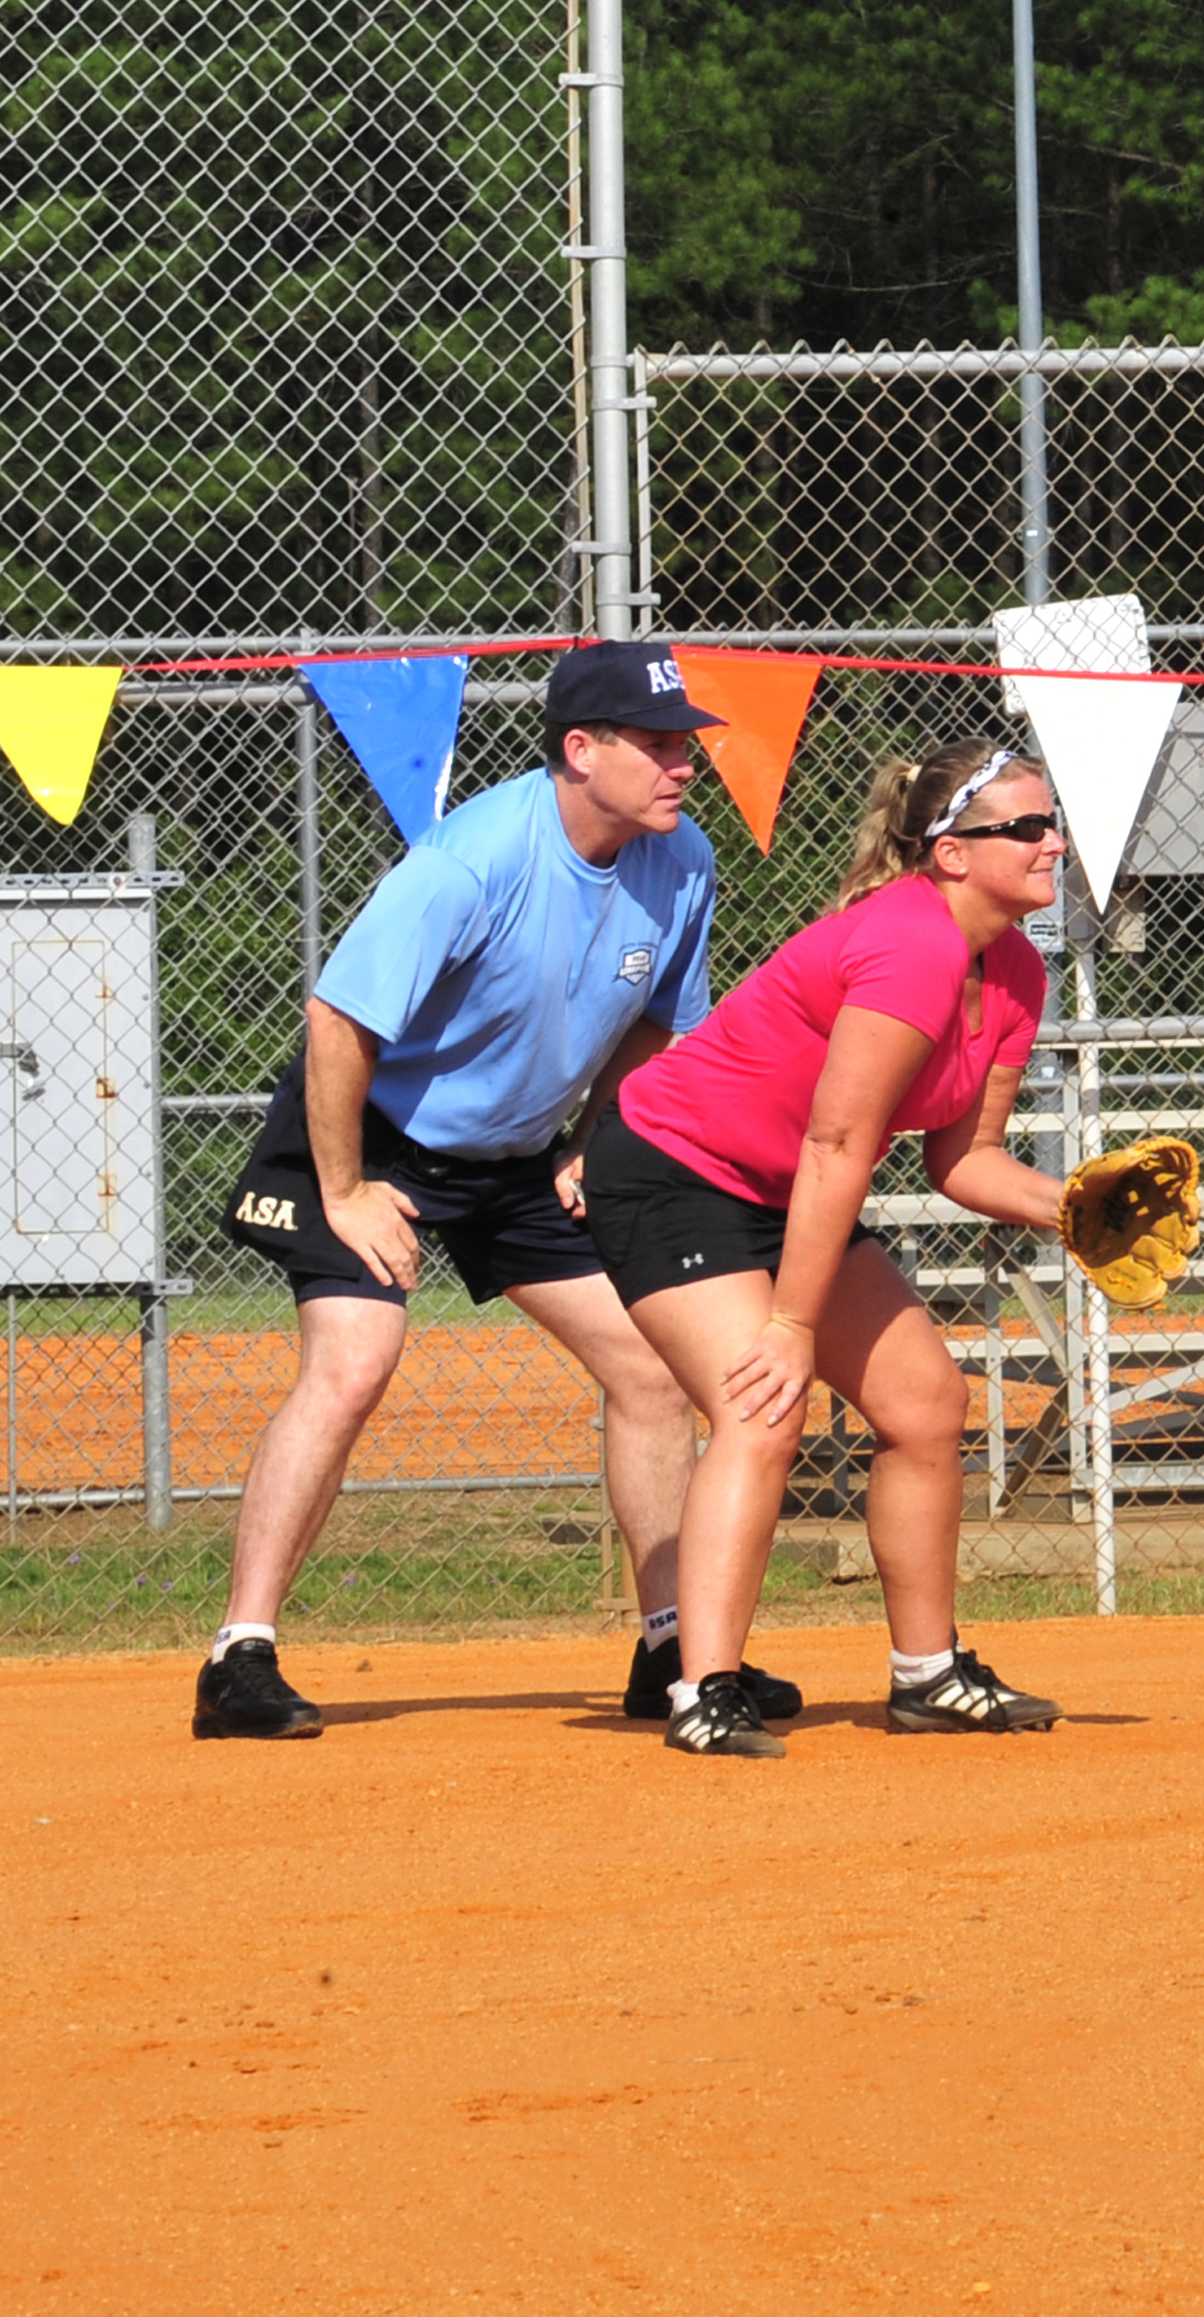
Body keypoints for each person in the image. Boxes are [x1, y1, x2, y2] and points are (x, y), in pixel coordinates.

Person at [196, 643, 773, 1741]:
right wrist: (345, 1189)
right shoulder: (473, 860)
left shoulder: (682, 859)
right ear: (580, 749)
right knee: (354, 1365)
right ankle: (240, 1656)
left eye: (687, 744)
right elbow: (339, 1020)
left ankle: (671, 1649)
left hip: (517, 1153)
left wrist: (592, 1144)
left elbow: (660, 1024)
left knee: (651, 1366)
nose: (683, 765)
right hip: (369, 1133)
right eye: (658, 745)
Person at [580, 737, 1072, 1759]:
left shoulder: (1016, 969)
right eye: (1027, 827)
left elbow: (965, 1160)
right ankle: (704, 1689)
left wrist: (1076, 1208)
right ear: (950, 853)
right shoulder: (912, 942)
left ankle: (927, 1674)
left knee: (924, 1403)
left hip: (779, 1187)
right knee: (763, 1403)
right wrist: (792, 1323)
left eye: (1052, 822)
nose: (1052, 843)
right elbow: (838, 1142)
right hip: (673, 1168)